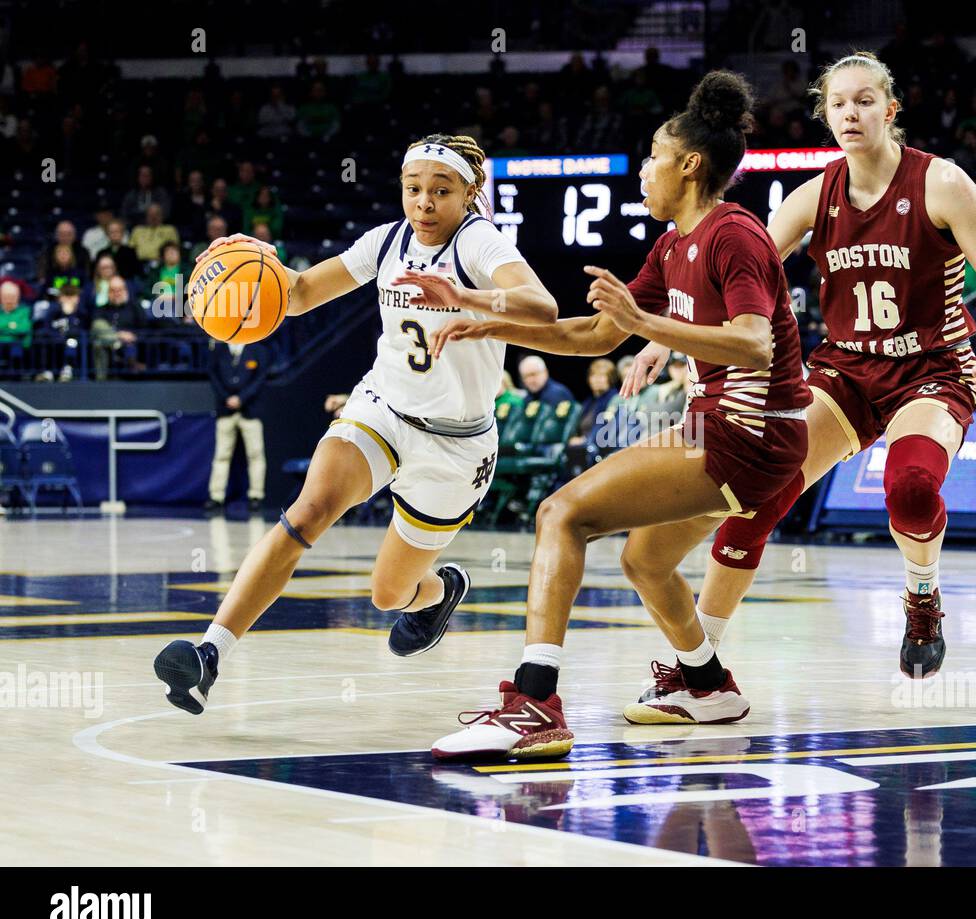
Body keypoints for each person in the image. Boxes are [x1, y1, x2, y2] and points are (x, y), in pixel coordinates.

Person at [427, 70, 816, 758]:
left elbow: (756, 343)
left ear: (690, 165)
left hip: (750, 434)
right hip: (725, 429)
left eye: (653, 159)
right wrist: (486, 316)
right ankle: (707, 685)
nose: (643, 173)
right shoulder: (673, 246)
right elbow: (598, 335)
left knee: (561, 513)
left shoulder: (735, 235)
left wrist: (649, 325)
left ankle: (535, 705)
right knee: (645, 561)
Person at [620, 51, 976, 694]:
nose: (850, 113)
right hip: (844, 370)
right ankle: (700, 669)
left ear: (891, 111)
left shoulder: (942, 184)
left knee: (912, 487)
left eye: (865, 100)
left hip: (931, 370)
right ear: (825, 115)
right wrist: (664, 334)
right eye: (838, 103)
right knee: (753, 504)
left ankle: (923, 596)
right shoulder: (816, 195)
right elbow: (730, 268)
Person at [152, 133, 558, 716]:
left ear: (469, 194)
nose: (423, 202)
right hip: (384, 409)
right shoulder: (387, 241)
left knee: (388, 594)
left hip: (457, 447)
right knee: (307, 512)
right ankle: (209, 654)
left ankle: (442, 590)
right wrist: (249, 258)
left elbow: (542, 307)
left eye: (440, 191)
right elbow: (296, 295)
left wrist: (465, 295)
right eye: (413, 188)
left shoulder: (479, 242)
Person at [205, 340, 271, 516]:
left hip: (250, 410)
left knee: (255, 454)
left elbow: (260, 377)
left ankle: (256, 495)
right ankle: (216, 496)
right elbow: (213, 374)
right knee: (221, 455)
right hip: (225, 410)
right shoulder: (218, 349)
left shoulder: (257, 349)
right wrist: (226, 397)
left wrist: (241, 398)